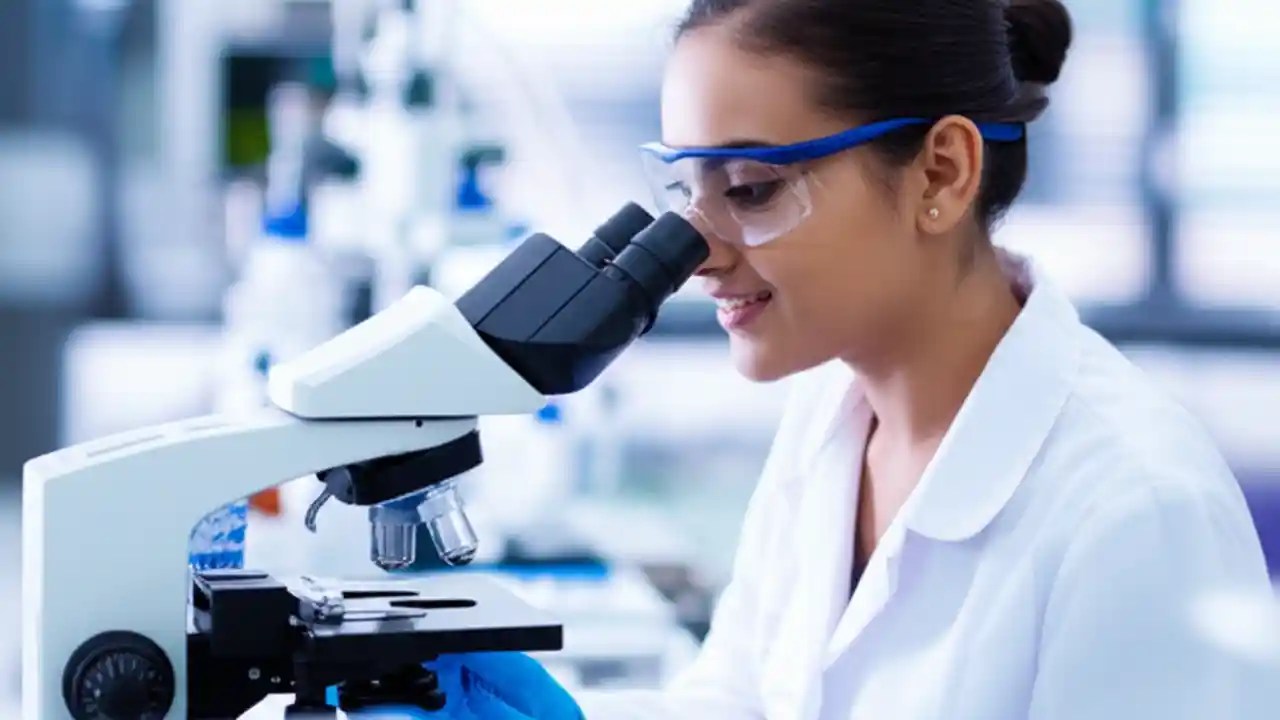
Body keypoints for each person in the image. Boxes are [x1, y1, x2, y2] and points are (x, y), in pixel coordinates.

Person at [429, 0, 1278, 718]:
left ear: (941, 173)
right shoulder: (831, 422)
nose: (699, 254)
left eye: (752, 190)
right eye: (686, 193)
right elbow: (738, 697)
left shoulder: (1137, 514)